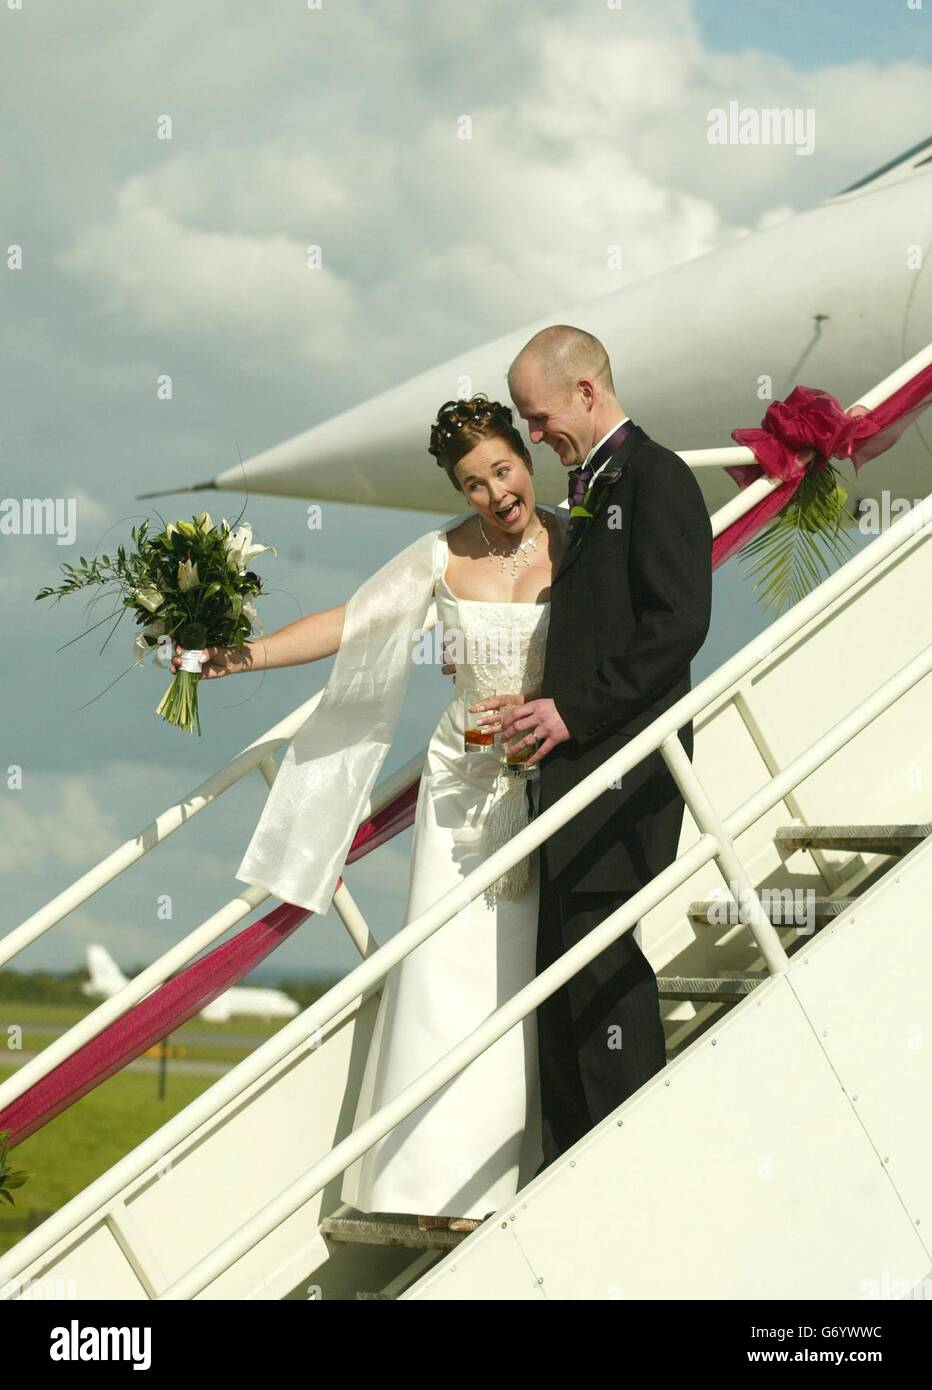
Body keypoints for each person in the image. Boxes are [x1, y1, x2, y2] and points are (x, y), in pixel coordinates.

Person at [172, 395, 567, 1231]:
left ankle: (514, 1182)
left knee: (524, 974)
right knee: (445, 969)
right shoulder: (438, 555)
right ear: (458, 493)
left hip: (548, 777)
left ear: (525, 462)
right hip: (461, 783)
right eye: (473, 483)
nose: (495, 492)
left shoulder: (577, 541)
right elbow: (350, 624)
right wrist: (234, 658)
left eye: (502, 470)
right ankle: (427, 1188)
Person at [498, 324, 713, 1168]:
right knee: (559, 960)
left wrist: (569, 712)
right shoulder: (592, 486)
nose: (535, 436)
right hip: (575, 768)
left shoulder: (658, 479)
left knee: (598, 956)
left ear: (586, 392)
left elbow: (678, 624)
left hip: (623, 769)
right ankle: (566, 1160)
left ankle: (627, 1156)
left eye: (540, 417)